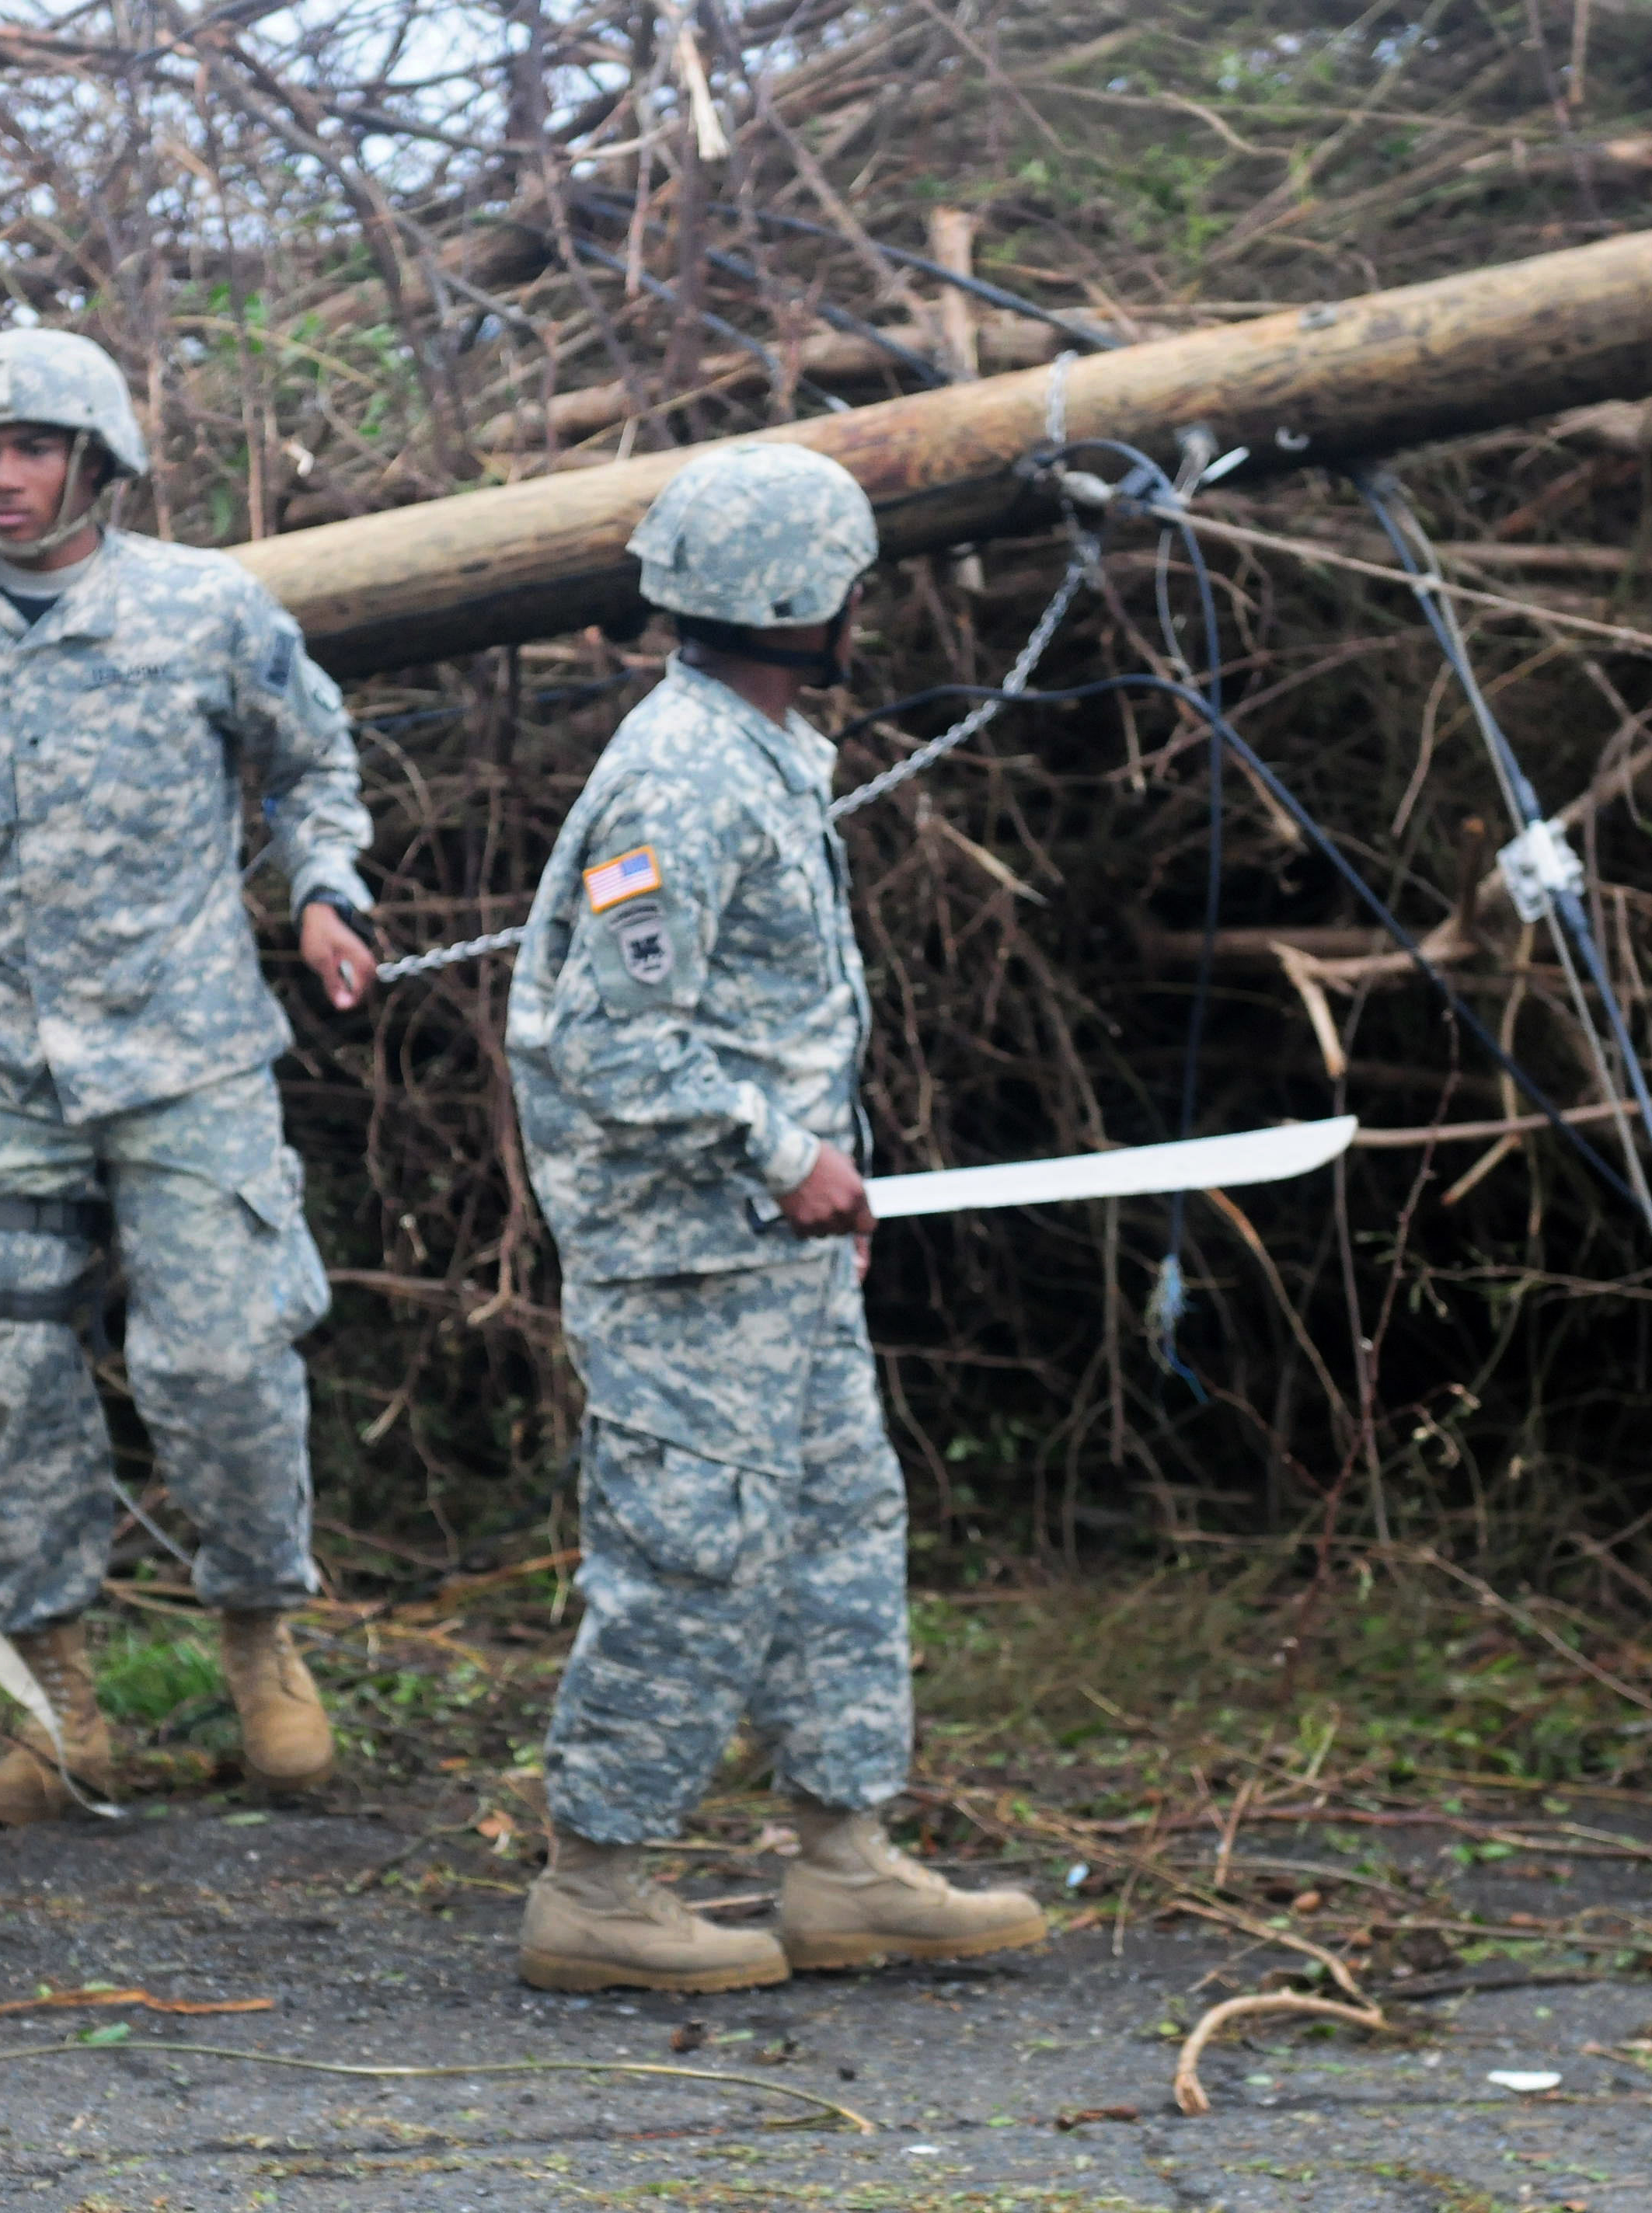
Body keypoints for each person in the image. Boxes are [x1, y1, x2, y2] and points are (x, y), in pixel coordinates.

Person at [0, 328, 379, 1823]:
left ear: (98, 462)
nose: (1, 476)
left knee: (224, 1364)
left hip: (189, 1055)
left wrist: (327, 894)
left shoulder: (205, 611)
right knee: (13, 1390)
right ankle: (60, 1712)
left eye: (33, 449)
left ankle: (263, 1659)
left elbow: (313, 767)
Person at [501, 442, 1046, 1991]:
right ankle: (597, 1887)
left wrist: (824, 1172)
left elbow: (752, 1015)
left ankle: (845, 1864)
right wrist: (774, 1147)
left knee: (833, 1529)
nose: (866, 606)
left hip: (776, 1241)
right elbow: (607, 1035)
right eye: (855, 584)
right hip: (686, 1246)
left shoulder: (761, 749)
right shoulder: (675, 778)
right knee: (693, 1546)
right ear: (804, 601)